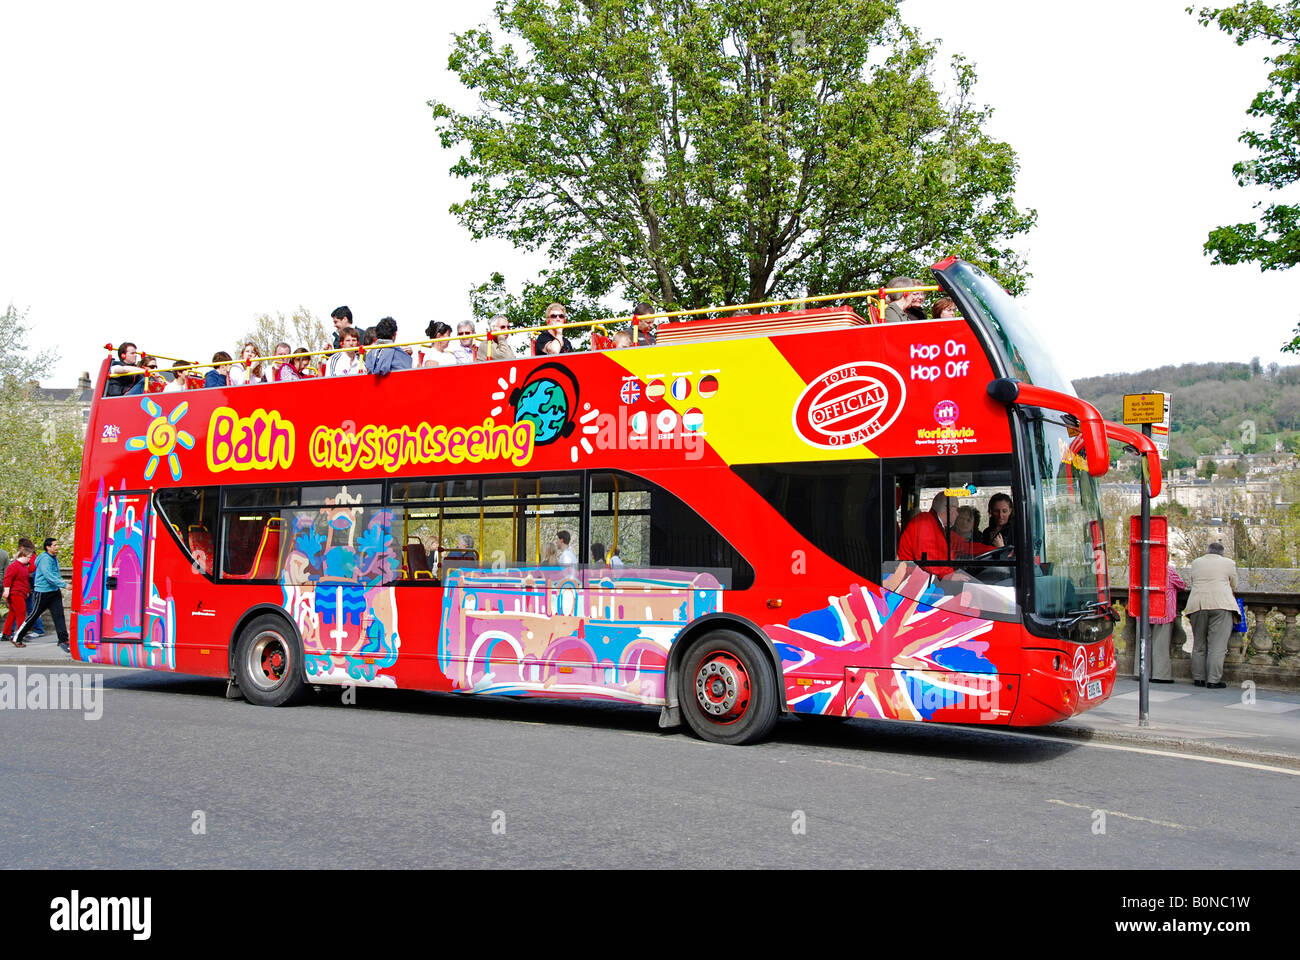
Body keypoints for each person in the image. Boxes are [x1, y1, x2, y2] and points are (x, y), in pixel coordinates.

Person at [898, 492, 1002, 580]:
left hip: (927, 579)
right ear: (949, 509)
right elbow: (928, 557)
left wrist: (996, 550)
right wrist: (949, 575)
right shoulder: (925, 522)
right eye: (957, 509)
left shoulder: (940, 528)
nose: (957, 514)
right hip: (913, 582)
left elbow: (965, 546)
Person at [1184, 542, 1240, 689]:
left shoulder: (1196, 563)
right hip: (1221, 604)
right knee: (1217, 646)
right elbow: (1234, 583)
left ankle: (1198, 678)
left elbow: (1193, 580)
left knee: (1199, 644)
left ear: (1207, 551)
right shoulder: (1229, 563)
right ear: (1221, 553)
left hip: (1197, 604)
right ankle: (1213, 680)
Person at [14, 538, 69, 652]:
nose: (57, 547)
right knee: (33, 615)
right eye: (54, 545)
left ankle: (63, 639)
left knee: (59, 615)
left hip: (54, 591)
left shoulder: (53, 558)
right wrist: (63, 584)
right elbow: (48, 575)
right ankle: (17, 637)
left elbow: (55, 574)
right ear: (48, 547)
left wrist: (61, 583)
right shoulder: (45, 559)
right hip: (43, 592)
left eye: (56, 544)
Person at [1150, 564, 1188, 683]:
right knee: (1160, 644)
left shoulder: (1142, 567)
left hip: (1144, 609)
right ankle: (1160, 674)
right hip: (1162, 609)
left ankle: (1141, 672)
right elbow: (1181, 585)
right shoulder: (1168, 569)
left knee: (1143, 643)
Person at [2, 541, 34, 646]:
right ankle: (19, 636)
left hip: (21, 593)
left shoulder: (24, 567)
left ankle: (6, 633)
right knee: (21, 614)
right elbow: (7, 578)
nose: (30, 559)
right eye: (29, 557)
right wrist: (6, 590)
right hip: (15, 593)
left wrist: (27, 591)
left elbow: (24, 581)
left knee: (13, 613)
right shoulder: (15, 566)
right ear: (23, 556)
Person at [16, 537, 44, 637]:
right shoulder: (33, 556)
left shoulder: (30, 557)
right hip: (29, 585)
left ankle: (38, 629)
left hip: (28, 586)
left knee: (29, 608)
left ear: (22, 547)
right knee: (28, 608)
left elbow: (31, 569)